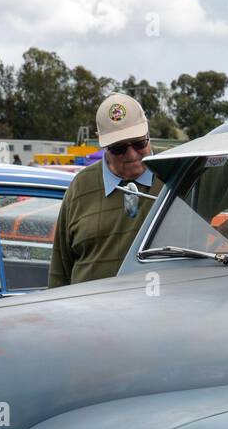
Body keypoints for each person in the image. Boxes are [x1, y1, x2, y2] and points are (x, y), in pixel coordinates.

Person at [48, 93, 162, 285]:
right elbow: (60, 268)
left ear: (148, 134)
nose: (132, 154)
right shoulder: (80, 186)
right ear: (103, 145)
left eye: (139, 143)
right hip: (89, 312)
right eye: (119, 148)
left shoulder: (177, 174)